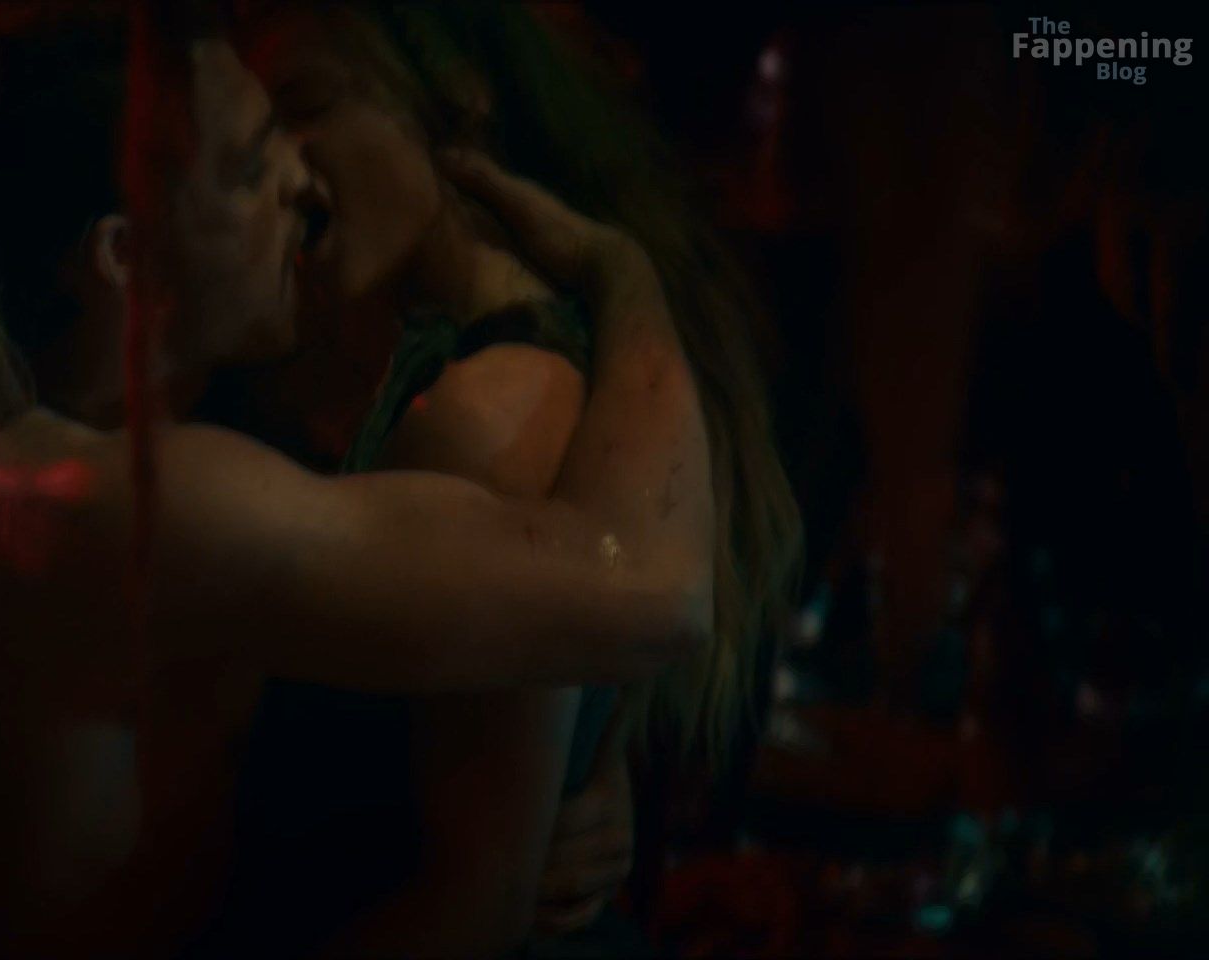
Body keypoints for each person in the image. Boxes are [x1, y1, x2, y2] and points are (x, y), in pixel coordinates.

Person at [0, 7, 715, 957]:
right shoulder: (111, 510)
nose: (300, 182)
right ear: (126, 255)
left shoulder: (51, 447)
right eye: (246, 170)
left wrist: (566, 758)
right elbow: (656, 589)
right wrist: (624, 276)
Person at [188, 3, 803, 956]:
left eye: (306, 109)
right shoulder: (421, 371)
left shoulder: (489, 412)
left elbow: (470, 905)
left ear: (457, 100)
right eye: (260, 138)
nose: (286, 171)